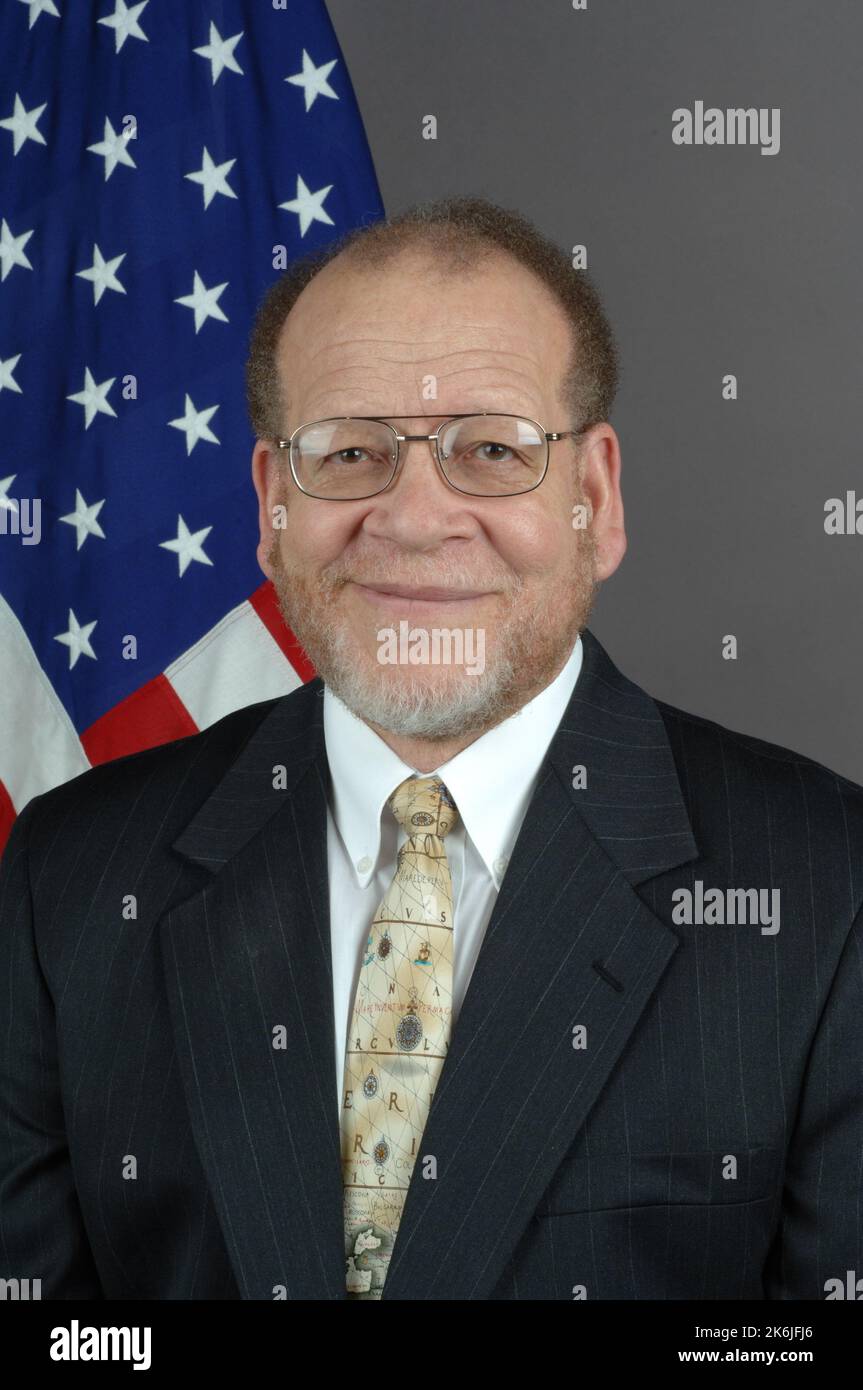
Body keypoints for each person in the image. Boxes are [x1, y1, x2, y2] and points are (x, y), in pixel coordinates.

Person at [1, 196, 861, 1301]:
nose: (412, 516)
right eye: (349, 451)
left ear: (591, 498)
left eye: (491, 450)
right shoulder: (70, 874)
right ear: (270, 506)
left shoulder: (826, 889)